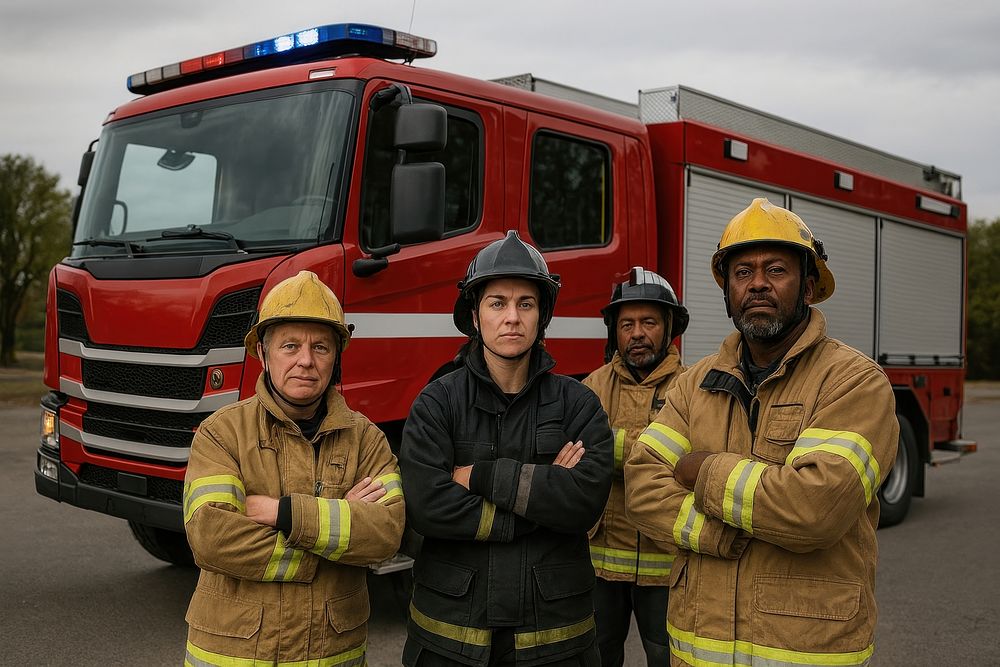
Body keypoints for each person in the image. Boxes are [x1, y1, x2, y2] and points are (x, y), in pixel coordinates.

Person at [625, 198, 898, 667]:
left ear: (808, 287)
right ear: (727, 289)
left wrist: (702, 469)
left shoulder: (853, 381)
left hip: (805, 650)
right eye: (742, 273)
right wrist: (716, 535)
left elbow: (815, 510)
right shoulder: (695, 383)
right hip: (698, 652)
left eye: (776, 270)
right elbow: (642, 486)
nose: (756, 284)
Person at [399, 230, 614, 667]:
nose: (511, 317)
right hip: (450, 643)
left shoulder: (579, 404)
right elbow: (426, 506)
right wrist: (538, 500)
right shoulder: (437, 402)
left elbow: (583, 503)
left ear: (542, 316)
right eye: (497, 303)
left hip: (554, 645)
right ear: (475, 316)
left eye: (526, 304)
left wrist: (477, 476)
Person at [182, 270, 404, 665]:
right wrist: (332, 541)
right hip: (234, 652)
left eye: (320, 347)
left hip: (332, 653)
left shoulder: (366, 438)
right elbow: (212, 539)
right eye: (290, 345)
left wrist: (278, 511)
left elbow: (386, 535)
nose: (305, 361)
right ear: (264, 354)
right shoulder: (222, 433)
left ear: (336, 357)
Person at [582, 267, 689, 666]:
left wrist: (609, 451)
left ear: (669, 327)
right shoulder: (591, 387)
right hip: (600, 562)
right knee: (597, 655)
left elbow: (691, 461)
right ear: (614, 331)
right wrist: (653, 454)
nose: (637, 333)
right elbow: (575, 456)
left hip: (665, 564)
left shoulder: (693, 387)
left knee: (665, 656)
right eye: (627, 324)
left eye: (648, 322)